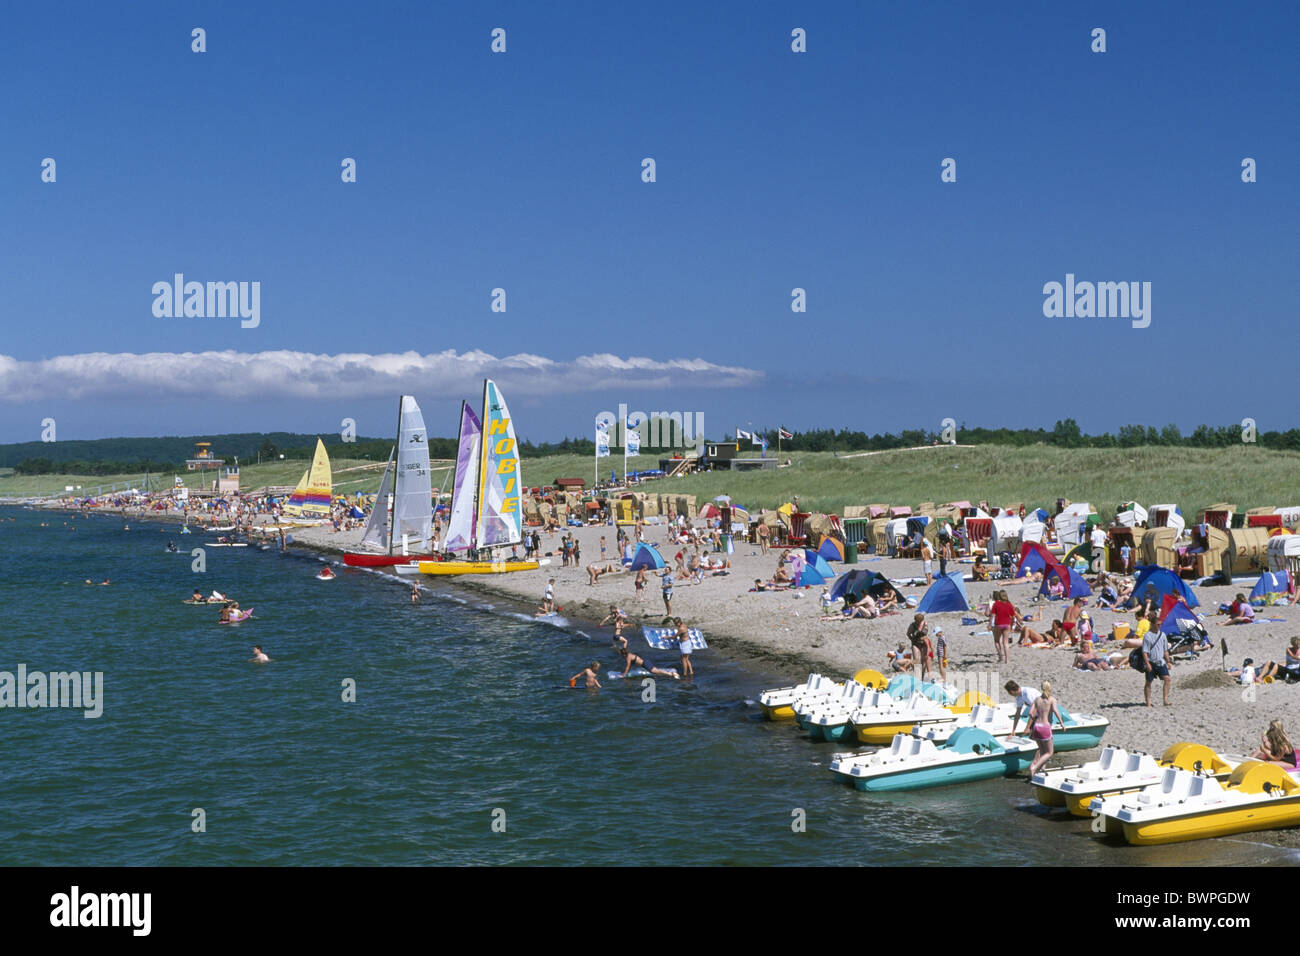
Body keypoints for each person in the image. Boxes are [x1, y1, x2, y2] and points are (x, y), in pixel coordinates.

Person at [1026, 681, 1066, 776]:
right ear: (1050, 688)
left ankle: (1042, 771)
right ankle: (1034, 767)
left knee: (1043, 751)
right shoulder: (1052, 699)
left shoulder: (1037, 700)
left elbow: (1030, 713)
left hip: (1036, 727)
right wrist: (1062, 723)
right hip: (1045, 726)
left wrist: (1036, 718)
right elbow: (1056, 711)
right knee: (1049, 752)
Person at [1141, 616, 1173, 706]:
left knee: (1167, 679)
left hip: (1161, 662)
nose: (1159, 626)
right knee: (1148, 682)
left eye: (1160, 624)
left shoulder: (1162, 635)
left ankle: (1165, 700)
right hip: (1151, 662)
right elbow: (1145, 651)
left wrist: (1168, 661)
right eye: (1157, 624)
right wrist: (1147, 663)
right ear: (1152, 624)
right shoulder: (1147, 636)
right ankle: (1148, 702)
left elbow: (1165, 650)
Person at [989, 590, 1020, 664]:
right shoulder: (1009, 605)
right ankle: (1007, 660)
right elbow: (1013, 616)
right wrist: (1012, 625)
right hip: (1007, 624)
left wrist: (989, 624)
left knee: (997, 640)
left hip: (998, 624)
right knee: (1006, 643)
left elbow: (992, 615)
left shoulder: (996, 604)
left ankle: (1000, 657)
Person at [905, 613, 933, 680]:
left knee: (923, 660)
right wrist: (912, 639)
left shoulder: (925, 624)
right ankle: (917, 677)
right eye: (918, 621)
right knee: (916, 660)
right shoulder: (912, 625)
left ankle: (922, 678)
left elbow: (924, 633)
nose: (918, 622)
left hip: (923, 643)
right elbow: (908, 633)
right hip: (915, 643)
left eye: (920, 621)